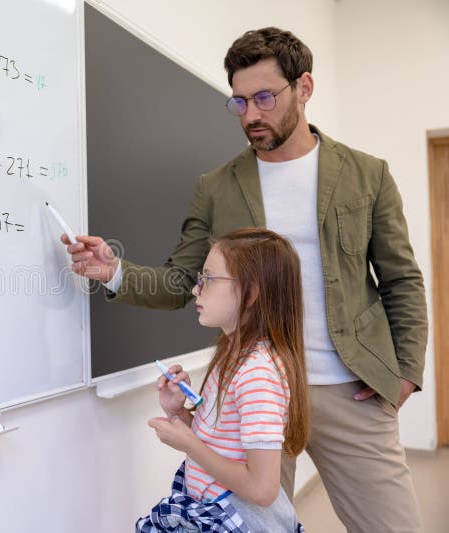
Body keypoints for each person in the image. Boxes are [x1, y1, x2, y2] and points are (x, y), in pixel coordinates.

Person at [64, 27, 427, 532]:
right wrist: (114, 271)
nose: (251, 115)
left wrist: (406, 371)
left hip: (351, 387)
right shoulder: (216, 187)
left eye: (263, 98)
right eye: (239, 102)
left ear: (304, 88)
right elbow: (179, 283)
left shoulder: (368, 175)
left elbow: (402, 280)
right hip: (251, 388)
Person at [136, 229, 308, 533]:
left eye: (209, 279)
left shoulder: (257, 373)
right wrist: (180, 414)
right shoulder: (232, 355)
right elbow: (221, 442)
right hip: (214, 512)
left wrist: (188, 444)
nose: (195, 290)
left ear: (252, 293)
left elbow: (262, 489)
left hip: (235, 520)